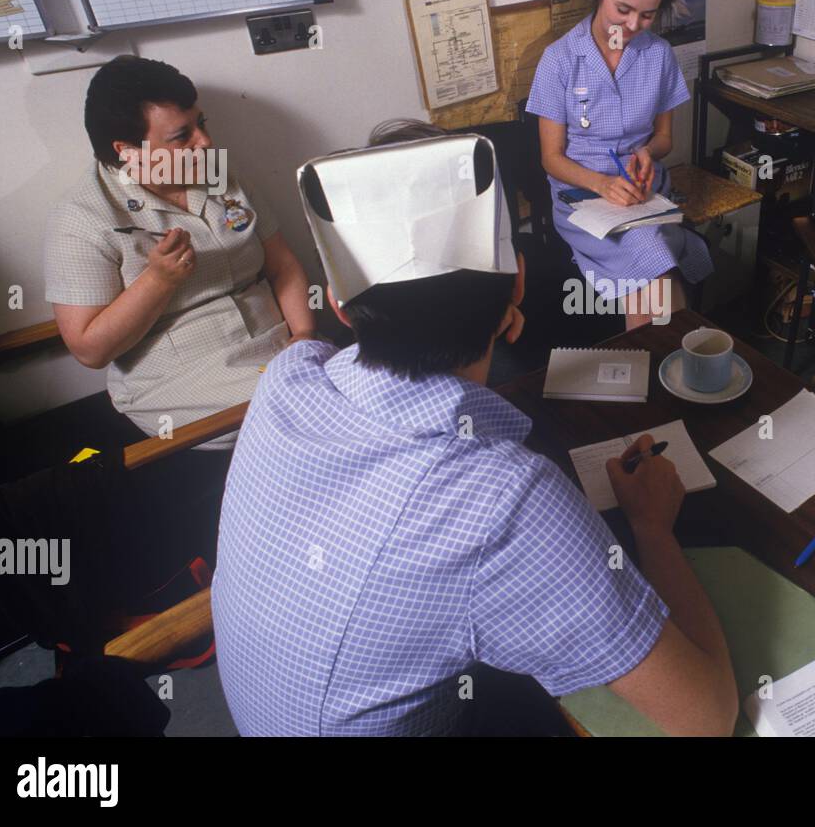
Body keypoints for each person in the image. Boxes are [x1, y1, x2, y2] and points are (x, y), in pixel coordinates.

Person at [212, 134, 737, 736]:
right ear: (518, 284)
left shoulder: (288, 376)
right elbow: (707, 719)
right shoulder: (503, 500)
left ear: (339, 304)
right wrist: (652, 528)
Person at [44, 55, 315, 448]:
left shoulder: (218, 173)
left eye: (201, 123)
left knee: (359, 386)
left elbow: (283, 266)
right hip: (184, 379)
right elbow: (90, 350)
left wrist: (304, 333)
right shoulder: (82, 218)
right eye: (181, 135)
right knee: (304, 412)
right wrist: (157, 281)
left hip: (278, 347)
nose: (204, 142)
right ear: (128, 150)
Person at [527, 0, 711, 329]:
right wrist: (602, 184)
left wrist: (646, 153)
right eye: (622, 10)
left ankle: (657, 358)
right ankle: (677, 353)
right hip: (581, 197)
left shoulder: (659, 54)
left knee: (647, 277)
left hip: (646, 190)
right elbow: (551, 159)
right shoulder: (559, 59)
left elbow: (664, 139)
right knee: (656, 263)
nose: (632, 25)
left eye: (647, 15)